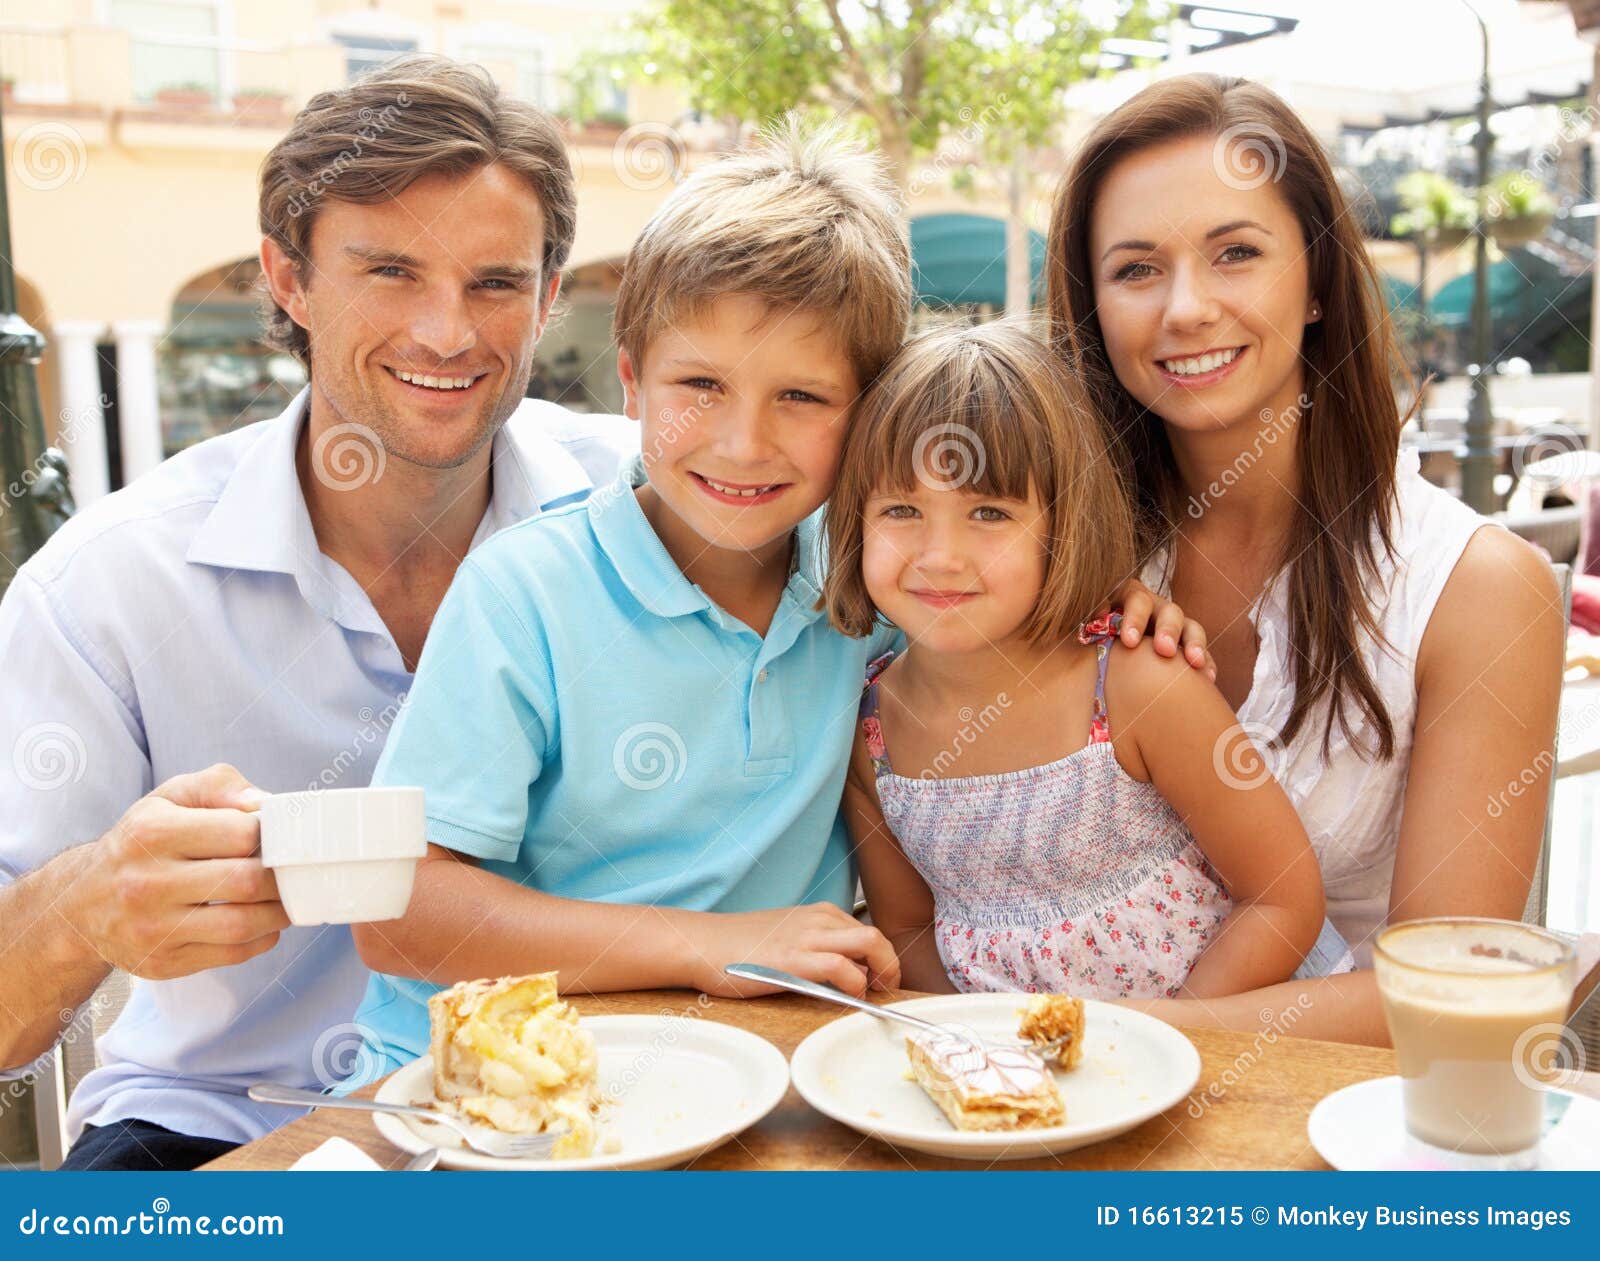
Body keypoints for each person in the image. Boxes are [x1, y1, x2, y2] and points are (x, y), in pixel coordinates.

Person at [342, 123, 1212, 1084]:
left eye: (801, 395)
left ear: (873, 410)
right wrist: (709, 943)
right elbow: (394, 913)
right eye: (700, 385)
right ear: (631, 382)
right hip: (484, 1085)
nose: (743, 443)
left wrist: (1104, 597)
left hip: (757, 1076)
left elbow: (1009, 591)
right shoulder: (524, 595)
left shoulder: (883, 583)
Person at [0, 56, 636, 1170]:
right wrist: (85, 909)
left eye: (494, 282)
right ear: (287, 280)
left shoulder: (659, 510)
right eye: (390, 270)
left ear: (547, 297)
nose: (447, 333)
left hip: (589, 1108)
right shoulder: (107, 584)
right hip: (218, 1120)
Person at [1044, 73, 1592, 1043]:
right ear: (1090, 310)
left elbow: (1450, 986)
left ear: (1315, 285)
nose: (1185, 308)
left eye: (1235, 253)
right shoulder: (1051, 558)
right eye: (1134, 269)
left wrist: (1123, 1039)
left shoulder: (1472, 585)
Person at [827, 321, 1348, 998]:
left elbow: (1282, 898)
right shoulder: (874, 736)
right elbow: (907, 929)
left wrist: (1163, 1043)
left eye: (988, 512)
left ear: (1062, 526)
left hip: (1221, 1044)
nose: (940, 556)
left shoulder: (1137, 683)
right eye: (901, 509)